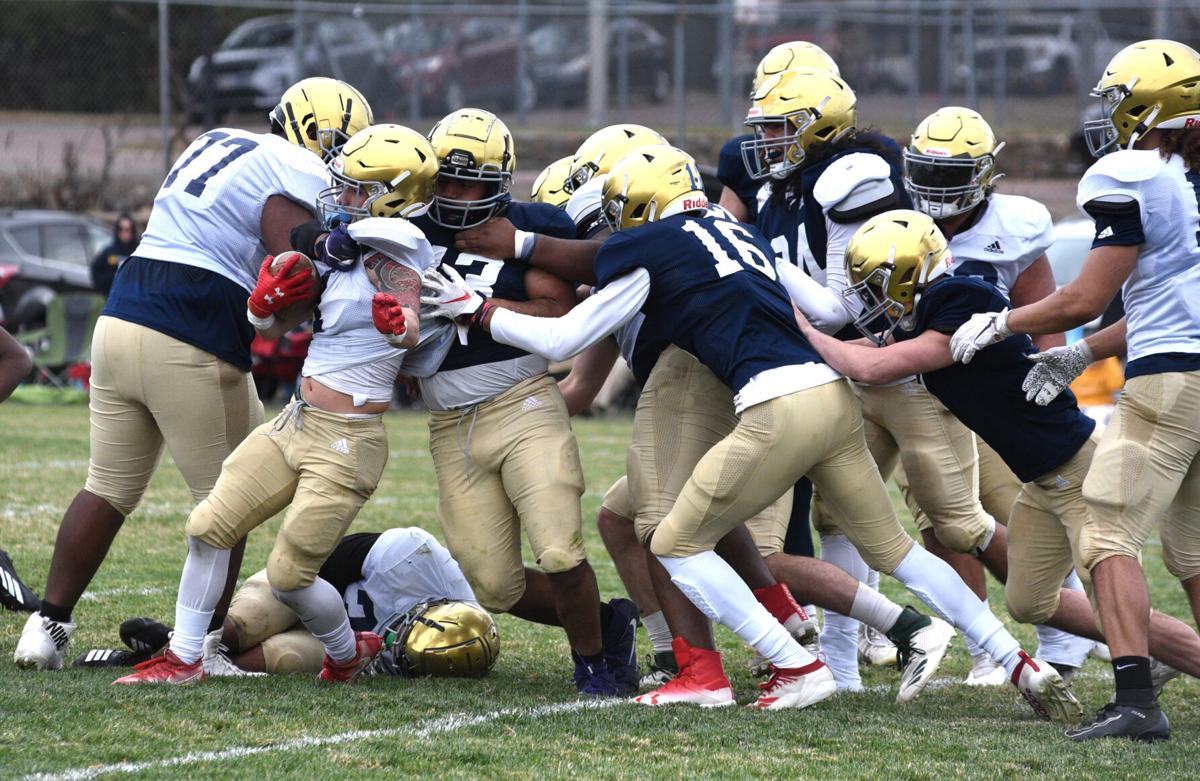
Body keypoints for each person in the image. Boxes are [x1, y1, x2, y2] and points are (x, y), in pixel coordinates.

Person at [423, 144, 1079, 720]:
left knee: (675, 538)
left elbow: (564, 334)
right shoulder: (740, 231)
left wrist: (480, 311)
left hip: (776, 405)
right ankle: (1020, 662)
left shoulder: (655, 244)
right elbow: (825, 307)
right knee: (898, 551)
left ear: (643, 209)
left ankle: (791, 664)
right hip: (831, 394)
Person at [14, 77, 374, 673]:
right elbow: (289, 244)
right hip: (191, 324)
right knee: (228, 502)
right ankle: (203, 647)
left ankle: (46, 627)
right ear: (326, 137)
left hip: (123, 312)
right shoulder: (296, 168)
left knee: (106, 486)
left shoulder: (215, 140)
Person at [797, 208, 1200, 739]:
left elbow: (873, 367)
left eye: (873, 284)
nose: (866, 298)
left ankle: (1154, 651)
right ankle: (1146, 641)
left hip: (1076, 469)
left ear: (908, 272)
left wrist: (799, 329)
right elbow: (870, 351)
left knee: (1112, 592)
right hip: (1040, 482)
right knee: (1029, 601)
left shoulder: (961, 299)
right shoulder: (927, 310)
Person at [112, 123, 439, 686]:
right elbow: (273, 322)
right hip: (295, 424)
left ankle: (344, 651)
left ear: (394, 195)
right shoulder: (338, 252)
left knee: (289, 576)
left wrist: (401, 326)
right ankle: (186, 657)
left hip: (348, 442)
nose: (341, 198)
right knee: (207, 524)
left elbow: (407, 309)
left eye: (356, 189)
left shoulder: (395, 256)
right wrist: (262, 304)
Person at [948, 39, 1200, 741]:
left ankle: (1135, 701)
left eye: (1123, 100)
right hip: (1190, 368)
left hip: (1172, 382)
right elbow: (1167, 304)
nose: (1113, 115)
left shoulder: (1140, 175)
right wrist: (1084, 353)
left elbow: (1083, 296)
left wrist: (1005, 320)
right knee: (1192, 551)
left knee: (1107, 533)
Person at [412, 108, 638, 697]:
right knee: (495, 586)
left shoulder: (528, 227)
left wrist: (481, 308)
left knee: (560, 550)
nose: (457, 196)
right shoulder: (409, 227)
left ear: (499, 183)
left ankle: (591, 661)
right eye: (448, 181)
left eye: (471, 183)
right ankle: (612, 624)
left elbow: (560, 313)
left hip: (522, 404)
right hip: (448, 423)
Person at [900, 106, 1094, 686]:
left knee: (1011, 514)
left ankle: (1073, 633)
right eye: (927, 173)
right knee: (939, 521)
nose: (935, 188)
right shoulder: (891, 212)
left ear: (985, 174)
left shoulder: (1017, 224)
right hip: (914, 386)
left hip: (993, 394)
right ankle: (988, 644)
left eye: (950, 173)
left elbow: (1044, 303)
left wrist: (1053, 366)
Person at [80, 527, 498, 678]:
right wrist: (315, 612)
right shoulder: (410, 556)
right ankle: (190, 642)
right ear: (424, 609)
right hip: (313, 591)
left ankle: (176, 658)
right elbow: (307, 570)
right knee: (265, 608)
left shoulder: (450, 655)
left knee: (287, 658)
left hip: (350, 645)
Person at [716, 40, 840, 224]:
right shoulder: (748, 158)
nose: (767, 138)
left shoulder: (853, 167)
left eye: (777, 123)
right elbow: (722, 232)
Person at [89, 213, 139, 297]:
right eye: (121, 229)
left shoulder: (139, 252)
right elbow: (96, 273)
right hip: (112, 298)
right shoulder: (109, 252)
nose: (124, 233)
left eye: (127, 229)